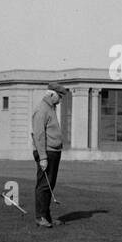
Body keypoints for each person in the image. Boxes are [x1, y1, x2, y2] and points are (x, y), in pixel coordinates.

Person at [32, 83, 68, 227]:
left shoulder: (50, 108)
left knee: (49, 185)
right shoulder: (42, 110)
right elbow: (39, 135)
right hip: (46, 152)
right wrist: (43, 157)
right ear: (51, 94)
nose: (60, 100)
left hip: (53, 152)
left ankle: (46, 217)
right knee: (44, 185)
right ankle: (40, 217)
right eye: (59, 96)